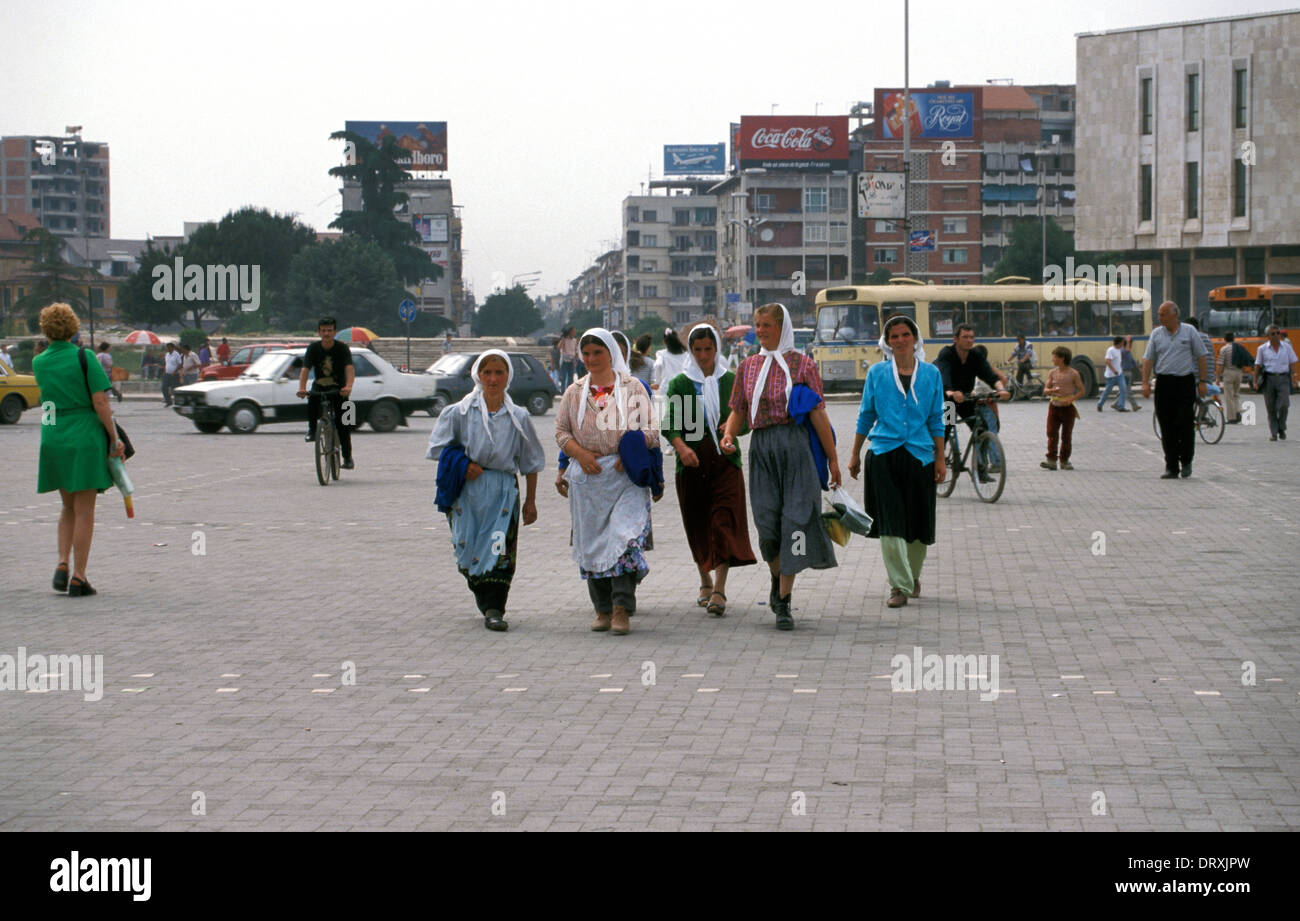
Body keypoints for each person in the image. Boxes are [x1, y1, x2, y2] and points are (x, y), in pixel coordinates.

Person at [721, 303, 840, 631]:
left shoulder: (803, 365)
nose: (760, 331)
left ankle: (784, 601)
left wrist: (833, 460)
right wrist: (729, 434)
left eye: (766, 325)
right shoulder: (748, 367)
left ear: (781, 327)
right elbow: (739, 409)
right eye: (757, 325)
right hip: (762, 449)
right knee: (768, 526)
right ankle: (777, 578)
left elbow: (817, 414)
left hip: (796, 447)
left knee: (796, 522)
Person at [426, 350, 544, 632]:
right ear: (478, 375)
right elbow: (437, 448)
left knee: (499, 550)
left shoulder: (519, 416)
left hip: (503, 492)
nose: (493, 379)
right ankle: (482, 596)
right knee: (467, 548)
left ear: (508, 377)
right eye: (487, 372)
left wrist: (530, 502)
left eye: (499, 373)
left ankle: (495, 608)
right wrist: (462, 464)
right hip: (466, 493)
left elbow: (531, 462)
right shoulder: (458, 413)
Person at [555, 328, 659, 635]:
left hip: (623, 477)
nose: (590, 359)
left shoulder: (633, 388)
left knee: (623, 541)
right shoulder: (574, 392)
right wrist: (579, 454)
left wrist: (631, 451)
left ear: (611, 353)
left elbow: (652, 429)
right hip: (588, 479)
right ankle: (601, 609)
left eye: (597, 353)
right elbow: (561, 432)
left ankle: (620, 608)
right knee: (593, 544)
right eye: (585, 354)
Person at [850, 315, 945, 608]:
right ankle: (899, 586)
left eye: (905, 335)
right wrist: (854, 453)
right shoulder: (877, 374)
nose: (900, 340)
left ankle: (911, 575)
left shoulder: (931, 374)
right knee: (890, 523)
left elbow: (936, 419)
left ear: (915, 338)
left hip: (919, 456)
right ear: (887, 342)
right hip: (883, 454)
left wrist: (940, 459)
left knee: (918, 524)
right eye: (894, 336)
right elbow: (866, 414)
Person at [32, 303, 126, 597]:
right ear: (73, 327)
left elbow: (47, 402)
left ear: (46, 329)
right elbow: (100, 403)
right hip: (84, 435)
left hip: (53, 435)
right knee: (85, 510)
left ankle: (62, 563)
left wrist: (50, 434)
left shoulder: (39, 361)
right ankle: (79, 577)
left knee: (67, 506)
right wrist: (114, 439)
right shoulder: (84, 357)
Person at [662, 323, 756, 616]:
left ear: (717, 349)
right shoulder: (681, 383)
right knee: (697, 523)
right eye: (697, 350)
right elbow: (671, 423)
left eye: (708, 349)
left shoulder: (731, 380)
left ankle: (720, 588)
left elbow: (746, 420)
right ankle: (704, 577)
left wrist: (731, 428)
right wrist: (682, 448)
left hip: (726, 463)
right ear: (690, 351)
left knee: (723, 521)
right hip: (692, 464)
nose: (703, 356)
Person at [934, 324, 1010, 482]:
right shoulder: (947, 353)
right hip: (947, 398)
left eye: (971, 337)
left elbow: (989, 374)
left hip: (966, 398)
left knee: (982, 430)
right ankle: (936, 465)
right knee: (945, 431)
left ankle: (980, 469)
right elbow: (943, 374)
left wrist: (1001, 389)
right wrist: (950, 392)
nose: (969, 341)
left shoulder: (975, 355)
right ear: (955, 339)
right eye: (965, 337)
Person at [1141, 301, 1209, 478]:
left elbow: (1201, 356)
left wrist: (1202, 381)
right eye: (1159, 314)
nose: (1159, 317)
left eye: (1163, 314)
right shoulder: (1156, 334)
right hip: (1164, 383)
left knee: (1185, 423)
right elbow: (1148, 359)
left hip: (1184, 382)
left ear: (1174, 315)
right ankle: (1171, 466)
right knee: (1166, 425)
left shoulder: (1189, 331)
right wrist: (1145, 382)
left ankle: (1186, 461)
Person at [297, 316, 357, 470]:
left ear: (334, 332)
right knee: (311, 402)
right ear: (319, 332)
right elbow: (305, 369)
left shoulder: (342, 348)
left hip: (340, 389)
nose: (326, 334)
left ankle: (348, 457)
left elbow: (349, 369)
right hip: (320, 387)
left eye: (329, 331)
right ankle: (311, 430)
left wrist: (349, 386)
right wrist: (302, 388)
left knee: (344, 424)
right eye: (323, 331)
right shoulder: (313, 348)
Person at [1042, 346, 1084, 470]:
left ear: (1062, 358)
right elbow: (1045, 390)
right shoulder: (1052, 373)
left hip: (1068, 408)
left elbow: (1082, 391)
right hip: (1054, 406)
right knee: (1051, 433)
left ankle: (1064, 460)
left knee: (1066, 435)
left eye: (1054, 357)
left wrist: (1071, 399)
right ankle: (1051, 460)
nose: (1052, 359)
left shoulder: (1073, 374)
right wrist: (1051, 390)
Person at [1254, 324, 1299, 441]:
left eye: (1278, 333)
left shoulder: (1287, 347)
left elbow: (1293, 362)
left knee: (1284, 404)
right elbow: (1257, 365)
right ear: (1268, 336)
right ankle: (1274, 432)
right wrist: (1255, 381)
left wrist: (1295, 378)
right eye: (1273, 334)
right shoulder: (1262, 349)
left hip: (1283, 378)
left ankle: (1281, 427)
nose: (1276, 336)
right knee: (1271, 407)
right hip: (1269, 379)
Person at [1217, 331, 1250, 424]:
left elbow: (1220, 364)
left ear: (1225, 339)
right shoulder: (1239, 348)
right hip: (1239, 373)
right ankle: (1237, 412)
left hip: (1229, 373)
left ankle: (1231, 417)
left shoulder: (1224, 349)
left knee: (1229, 396)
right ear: (1233, 338)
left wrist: (1218, 377)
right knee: (1236, 394)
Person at [651, 327, 691, 392]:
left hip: (667, 388)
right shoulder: (686, 354)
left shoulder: (661, 354)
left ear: (664, 342)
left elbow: (657, 365)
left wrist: (658, 382)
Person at [1096, 336, 1129, 412]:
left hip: (1119, 374)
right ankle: (1100, 404)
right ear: (1119, 342)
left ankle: (1121, 406)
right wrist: (1114, 370)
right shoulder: (1111, 350)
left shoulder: (1120, 350)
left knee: (1123, 389)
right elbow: (1107, 361)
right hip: (1111, 375)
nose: (1123, 343)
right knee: (1108, 391)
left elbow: (1127, 350)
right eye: (1123, 342)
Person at [1121, 336, 1143, 411]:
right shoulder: (1123, 351)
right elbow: (1127, 350)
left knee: (1123, 390)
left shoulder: (1128, 352)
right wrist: (1127, 341)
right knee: (1128, 390)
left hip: (1128, 372)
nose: (1131, 345)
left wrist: (1140, 369)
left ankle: (1116, 404)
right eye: (1131, 344)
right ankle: (1134, 406)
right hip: (1124, 372)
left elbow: (1133, 361)